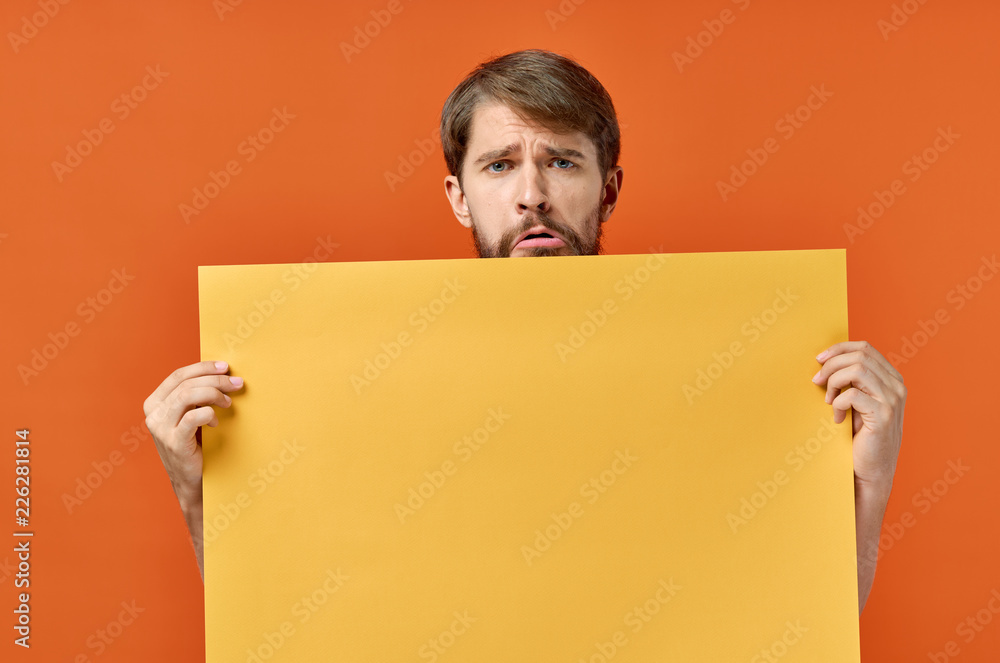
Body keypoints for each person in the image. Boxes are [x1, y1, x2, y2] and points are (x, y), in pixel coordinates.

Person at [143, 49, 906, 615]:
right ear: (459, 196)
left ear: (607, 189)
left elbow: (796, 627)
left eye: (562, 161)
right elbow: (294, 629)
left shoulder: (724, 371)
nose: (532, 195)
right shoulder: (367, 376)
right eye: (501, 165)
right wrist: (199, 497)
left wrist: (868, 483)